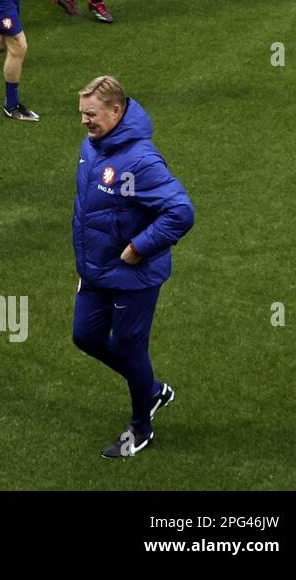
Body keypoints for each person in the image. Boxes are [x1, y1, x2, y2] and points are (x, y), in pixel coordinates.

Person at [71, 75, 194, 459]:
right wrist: (87, 264)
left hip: (134, 277)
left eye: (91, 114)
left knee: (129, 347)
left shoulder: (141, 160)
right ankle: (153, 389)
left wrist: (140, 247)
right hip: (96, 270)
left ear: (116, 110)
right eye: (81, 114)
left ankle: (141, 428)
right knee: (85, 337)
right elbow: (92, 213)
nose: (85, 121)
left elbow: (180, 211)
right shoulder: (93, 146)